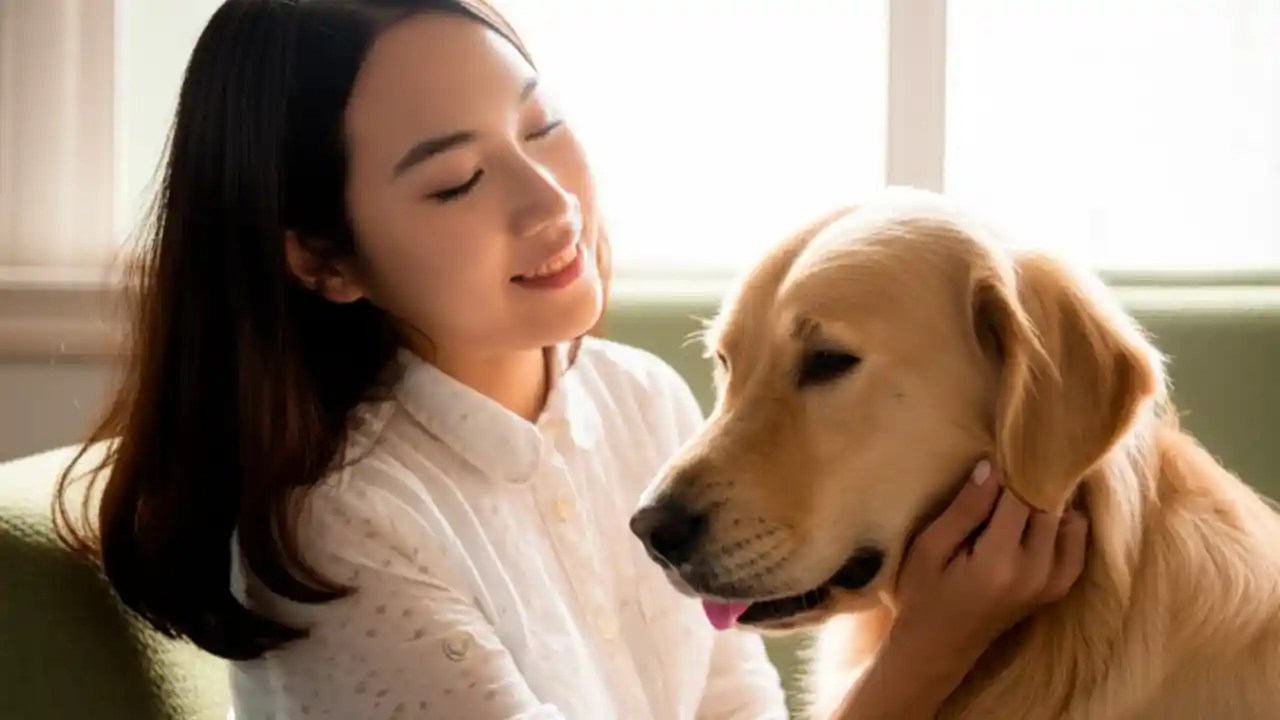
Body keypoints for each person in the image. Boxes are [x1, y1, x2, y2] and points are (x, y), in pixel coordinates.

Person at [54, 1, 1088, 718]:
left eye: (540, 125)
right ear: (323, 260)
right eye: (457, 180)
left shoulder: (640, 398)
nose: (549, 202)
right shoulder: (344, 527)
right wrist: (932, 646)